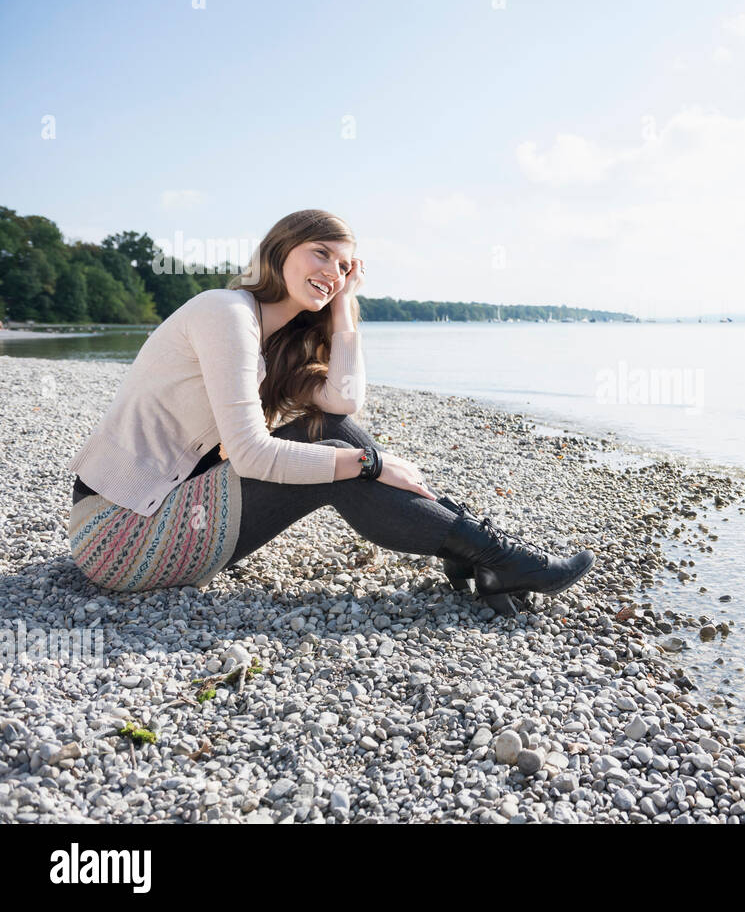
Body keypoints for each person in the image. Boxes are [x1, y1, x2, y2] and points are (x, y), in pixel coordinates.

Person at [64, 208, 593, 617]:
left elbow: (342, 401)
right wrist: (371, 465)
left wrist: (343, 307)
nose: (331, 272)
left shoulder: (275, 340)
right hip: (123, 536)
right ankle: (493, 556)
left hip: (170, 510)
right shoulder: (224, 313)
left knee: (332, 430)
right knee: (345, 459)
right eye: (320, 254)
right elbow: (249, 455)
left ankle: (477, 547)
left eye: (343, 267)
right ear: (281, 248)